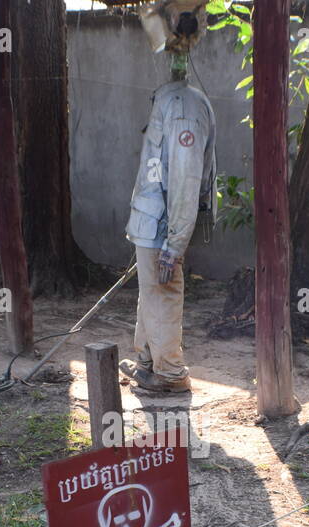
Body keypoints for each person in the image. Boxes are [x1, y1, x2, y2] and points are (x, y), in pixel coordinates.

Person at [120, 2, 216, 395]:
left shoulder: (182, 107)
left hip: (161, 226)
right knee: (151, 291)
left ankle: (171, 373)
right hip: (151, 222)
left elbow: (185, 179)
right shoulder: (173, 98)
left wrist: (173, 246)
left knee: (163, 291)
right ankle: (148, 358)